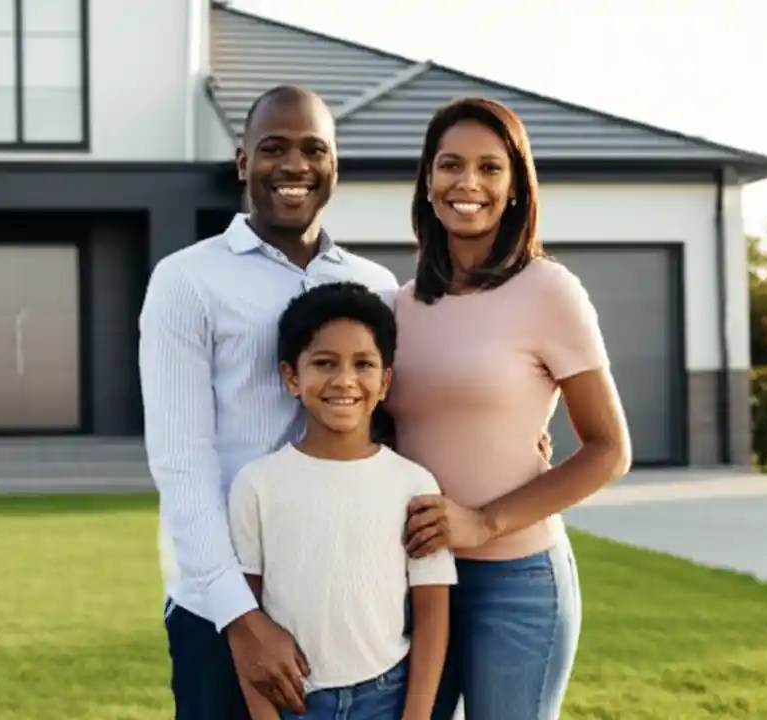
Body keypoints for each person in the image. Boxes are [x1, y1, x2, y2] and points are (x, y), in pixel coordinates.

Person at [138, 85, 399, 718]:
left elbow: (396, 428)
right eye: (273, 148)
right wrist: (241, 619)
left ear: (335, 164)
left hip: (346, 605)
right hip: (219, 608)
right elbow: (181, 465)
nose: (294, 166)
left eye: (314, 149)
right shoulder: (186, 280)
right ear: (241, 161)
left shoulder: (379, 287)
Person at [387, 97, 633, 719]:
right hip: (415, 580)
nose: (467, 183)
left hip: (516, 583)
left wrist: (486, 521)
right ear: (427, 180)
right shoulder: (399, 306)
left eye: (490, 168)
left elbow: (609, 449)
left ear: (517, 186)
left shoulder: (549, 290)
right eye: (450, 165)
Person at [227, 281, 457, 720]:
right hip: (294, 701)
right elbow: (246, 619)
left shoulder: (414, 484)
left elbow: (432, 614)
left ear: (385, 380)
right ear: (292, 377)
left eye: (363, 364)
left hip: (386, 696)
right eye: (324, 363)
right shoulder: (257, 485)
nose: (345, 380)